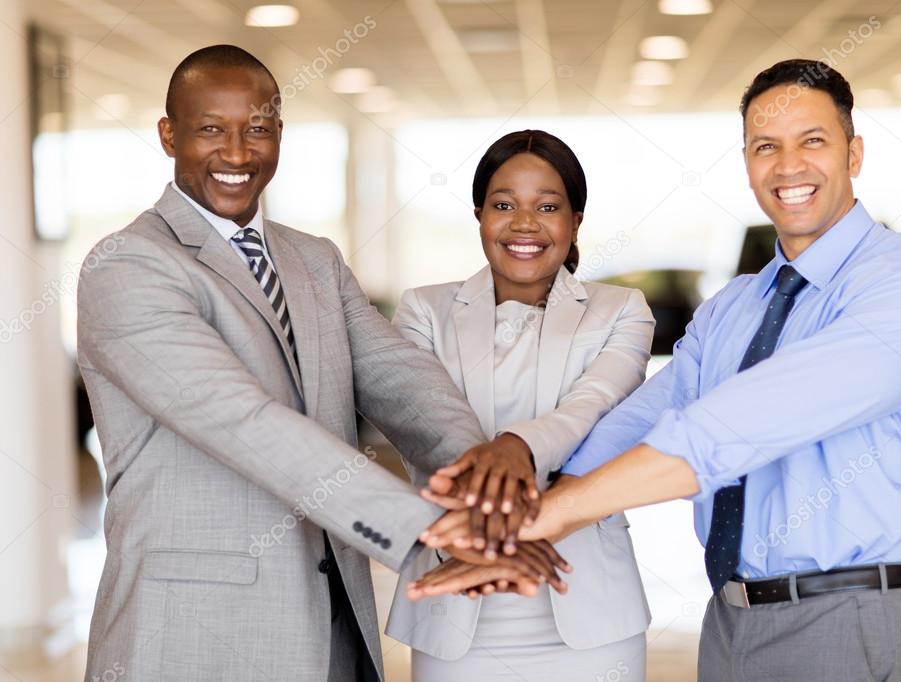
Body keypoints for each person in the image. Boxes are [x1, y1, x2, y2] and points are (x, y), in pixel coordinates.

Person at [417, 59, 901, 682]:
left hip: (846, 619)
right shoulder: (736, 307)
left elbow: (730, 429)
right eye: (766, 146)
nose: (788, 166)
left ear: (855, 153)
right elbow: (639, 420)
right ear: (747, 163)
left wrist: (550, 515)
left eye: (812, 141)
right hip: (733, 617)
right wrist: (513, 518)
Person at [76, 45, 564, 682]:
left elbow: (400, 379)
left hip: (334, 620)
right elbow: (241, 421)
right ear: (169, 135)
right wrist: (425, 529)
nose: (237, 152)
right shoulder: (127, 267)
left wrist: (479, 482)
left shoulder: (314, 258)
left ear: (279, 133)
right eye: (210, 130)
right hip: (198, 630)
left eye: (257, 128)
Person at [385, 130, 655, 681]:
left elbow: (591, 411)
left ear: (575, 220)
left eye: (547, 206)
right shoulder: (423, 311)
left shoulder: (622, 310)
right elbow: (421, 423)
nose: (524, 224)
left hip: (590, 608)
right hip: (455, 598)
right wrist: (492, 474)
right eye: (504, 205)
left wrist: (515, 447)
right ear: (479, 214)